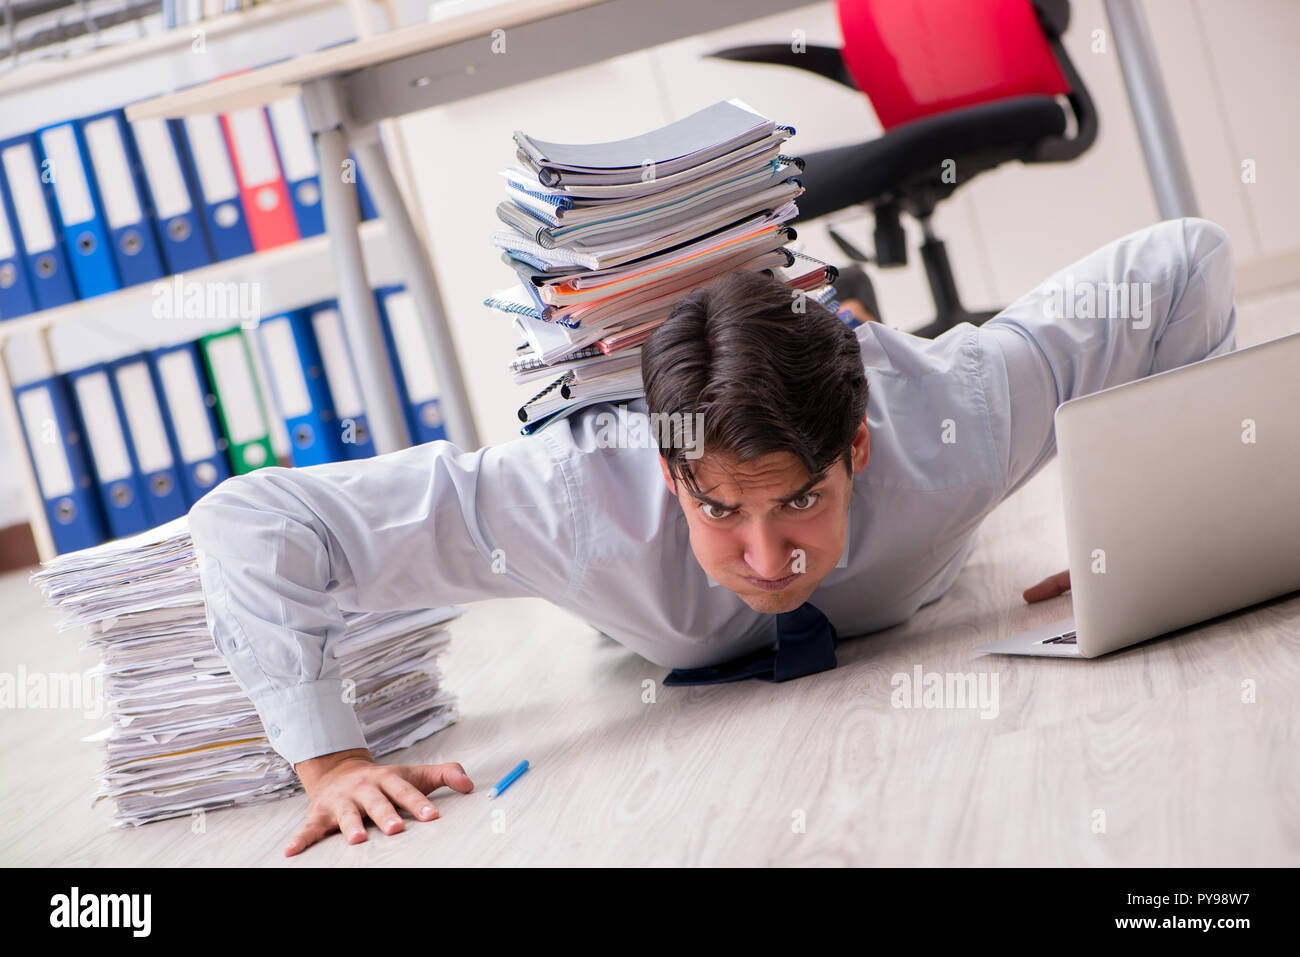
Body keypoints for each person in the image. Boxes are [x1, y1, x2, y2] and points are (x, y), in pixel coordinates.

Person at [187, 217, 1237, 856]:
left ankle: (837, 298)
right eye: (720, 511)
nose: (767, 559)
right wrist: (329, 761)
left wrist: (1150, 521)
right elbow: (251, 520)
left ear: (858, 455)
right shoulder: (567, 503)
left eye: (803, 503)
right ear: (667, 477)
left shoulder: (956, 419)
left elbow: (1187, 260)